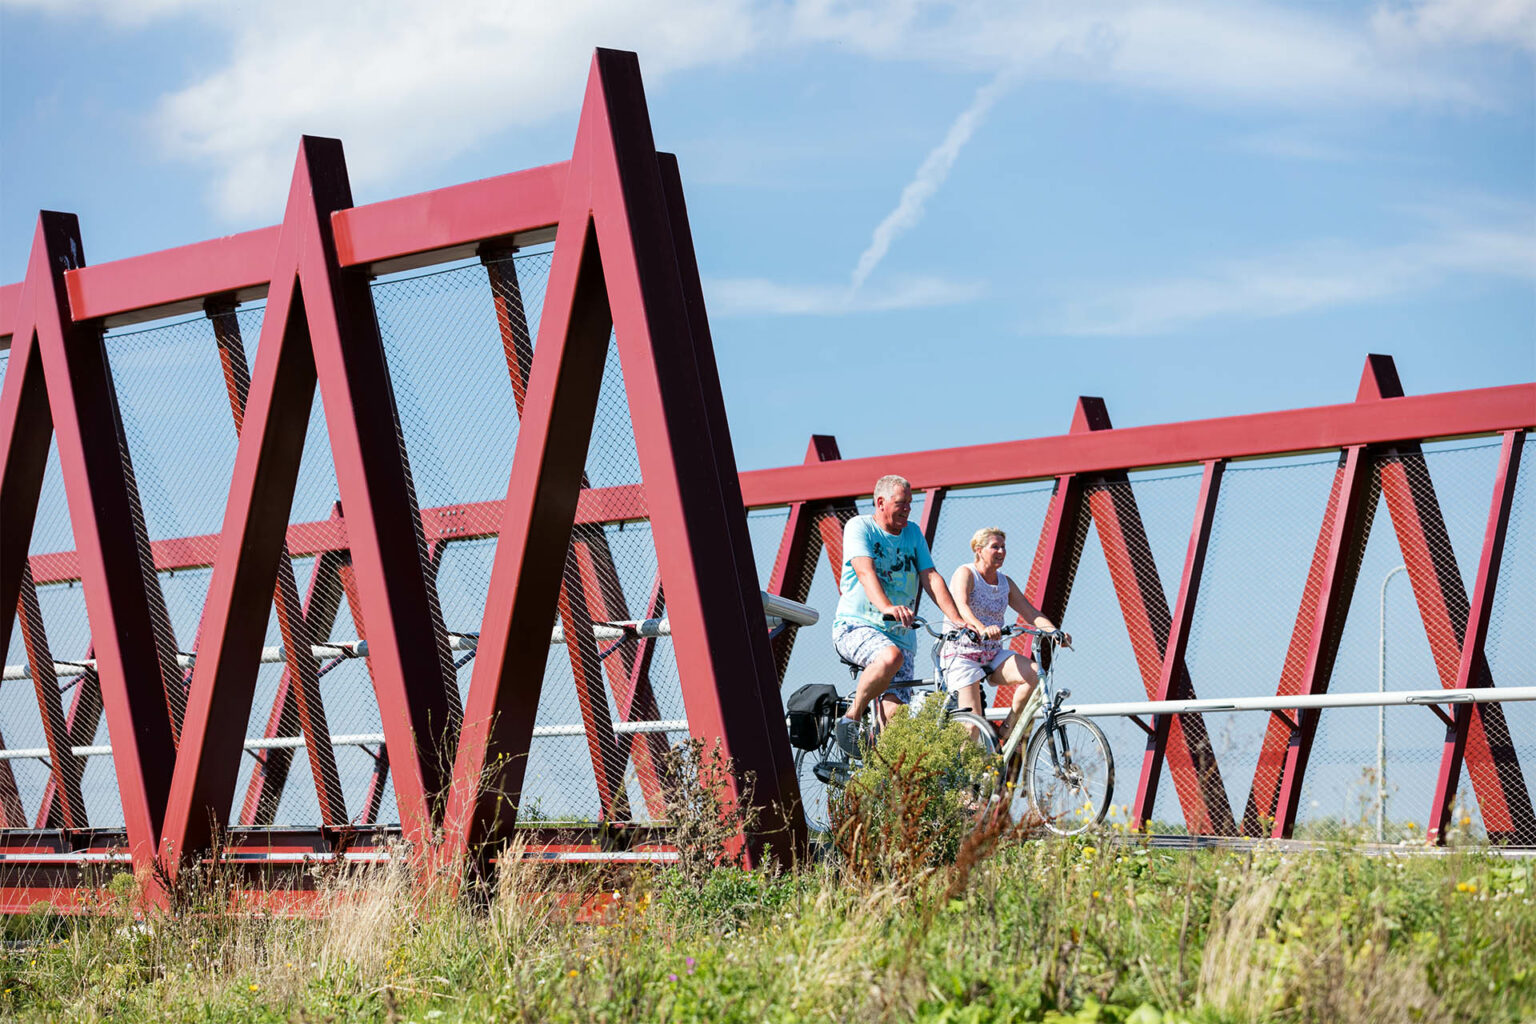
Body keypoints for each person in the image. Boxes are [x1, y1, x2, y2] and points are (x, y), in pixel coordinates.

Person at [830, 475, 987, 755]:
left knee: (896, 723)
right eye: (901, 503)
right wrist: (887, 607)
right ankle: (850, 718)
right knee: (889, 657)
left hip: (901, 637)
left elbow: (930, 576)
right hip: (856, 627)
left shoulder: (913, 533)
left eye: (910, 504)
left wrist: (957, 619)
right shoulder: (860, 527)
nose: (907, 509)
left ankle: (877, 781)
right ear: (880, 502)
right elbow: (865, 572)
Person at [939, 527, 1071, 738]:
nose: (1001, 551)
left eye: (1003, 547)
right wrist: (982, 628)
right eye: (995, 547)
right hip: (962, 655)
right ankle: (966, 771)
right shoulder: (965, 573)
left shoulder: (1005, 582)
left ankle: (1008, 729)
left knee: (1036, 674)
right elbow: (961, 606)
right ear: (979, 550)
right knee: (972, 726)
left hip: (991, 653)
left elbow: (1030, 612)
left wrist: (1054, 632)